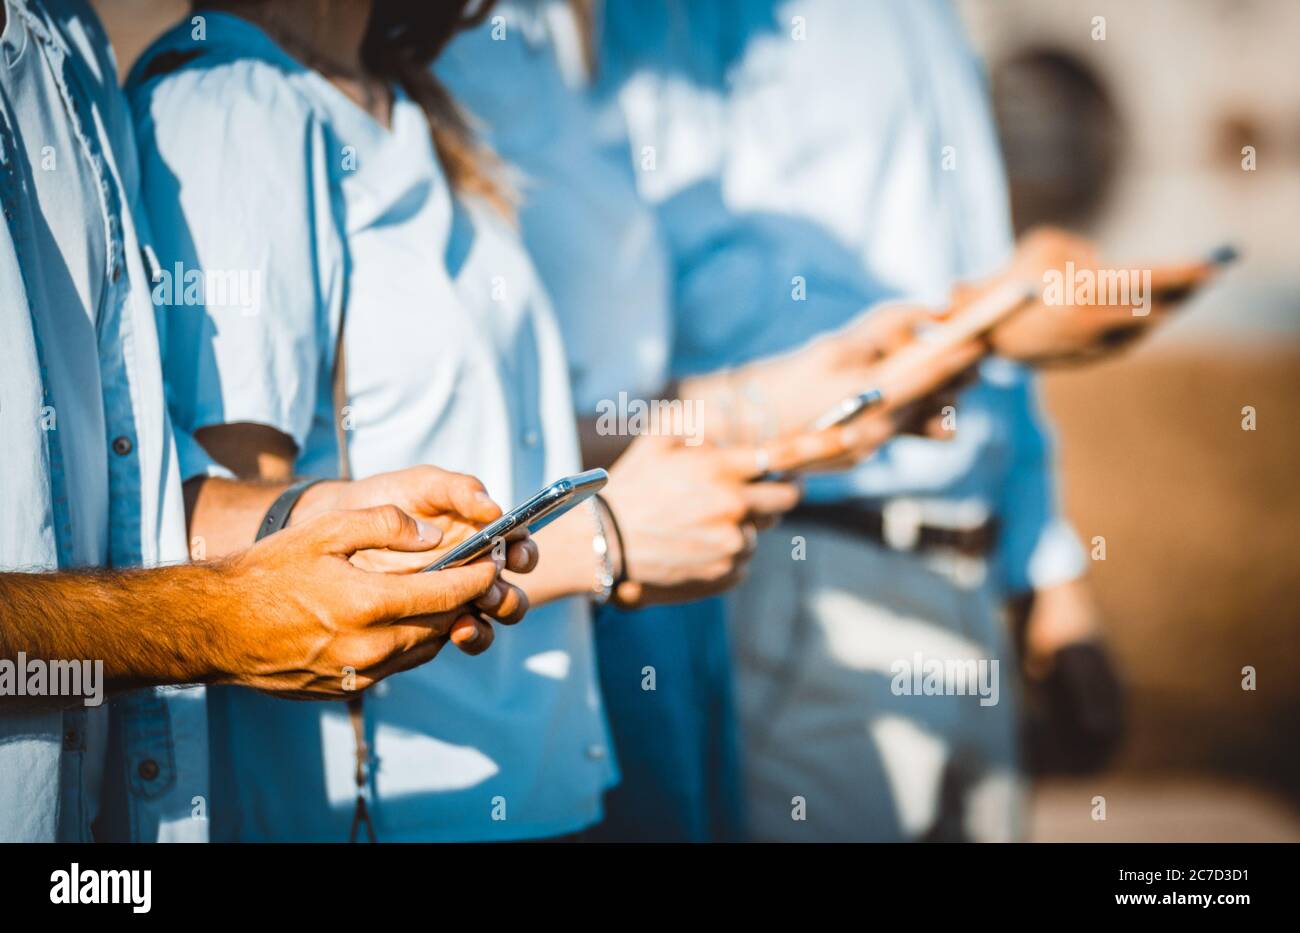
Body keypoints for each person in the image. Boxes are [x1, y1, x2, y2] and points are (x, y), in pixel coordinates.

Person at [128, 0, 877, 842]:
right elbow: (247, 556)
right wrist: (604, 542)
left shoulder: (404, 100)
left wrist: (772, 403)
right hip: (386, 807)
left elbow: (499, 435)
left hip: (524, 778)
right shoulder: (230, 105)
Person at [596, 0, 1169, 840]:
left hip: (970, 580)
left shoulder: (933, 19)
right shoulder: (697, 17)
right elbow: (668, 269)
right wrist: (928, 340)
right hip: (816, 564)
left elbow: (981, 284)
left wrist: (1050, 580)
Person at [0, 0, 534, 844]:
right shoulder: (229, 98)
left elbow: (135, 506)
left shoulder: (69, 46)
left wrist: (307, 516)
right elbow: (221, 568)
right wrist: (217, 620)